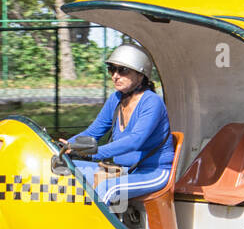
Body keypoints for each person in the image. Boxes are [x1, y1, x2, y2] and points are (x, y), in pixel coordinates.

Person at [59, 43, 173, 212]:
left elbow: (135, 140)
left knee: (107, 189)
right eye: (111, 69)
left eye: (123, 70)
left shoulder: (152, 102)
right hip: (126, 171)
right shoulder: (116, 99)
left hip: (154, 172)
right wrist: (63, 147)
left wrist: (93, 153)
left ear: (141, 75)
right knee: (65, 172)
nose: (115, 76)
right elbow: (93, 132)